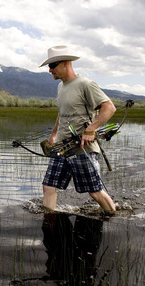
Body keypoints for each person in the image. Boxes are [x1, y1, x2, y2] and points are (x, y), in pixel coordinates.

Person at [39, 45, 116, 215]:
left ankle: (113, 216)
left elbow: (109, 107)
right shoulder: (60, 87)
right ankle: (48, 221)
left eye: (53, 66)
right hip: (61, 147)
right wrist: (53, 134)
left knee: (94, 191)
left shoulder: (85, 84)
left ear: (66, 63)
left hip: (82, 149)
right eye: (49, 66)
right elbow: (63, 113)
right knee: (48, 186)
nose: (50, 70)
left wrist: (91, 129)